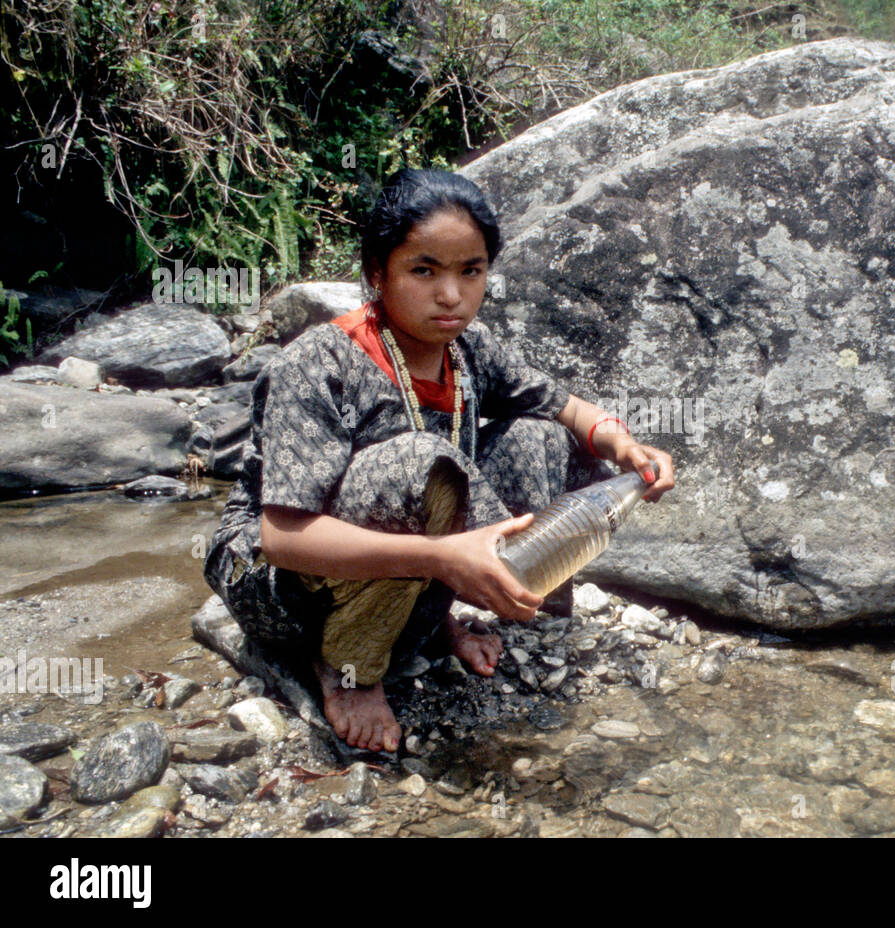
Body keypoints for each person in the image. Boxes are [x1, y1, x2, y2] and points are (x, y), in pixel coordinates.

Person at [203, 168, 675, 753]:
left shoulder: (467, 350)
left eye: (469, 271)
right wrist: (441, 558)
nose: (451, 295)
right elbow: (283, 538)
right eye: (423, 270)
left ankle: (438, 622)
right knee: (421, 463)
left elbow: (564, 406)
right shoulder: (319, 363)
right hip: (277, 583)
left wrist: (622, 442)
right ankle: (349, 668)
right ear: (378, 272)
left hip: (401, 565)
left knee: (540, 436)